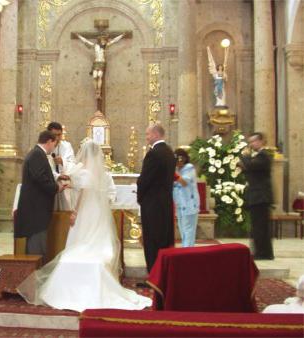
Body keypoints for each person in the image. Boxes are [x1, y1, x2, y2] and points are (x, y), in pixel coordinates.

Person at [17, 139, 152, 312]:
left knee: (79, 240)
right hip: (97, 212)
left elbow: (82, 194)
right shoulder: (103, 174)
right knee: (96, 239)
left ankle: (69, 288)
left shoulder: (86, 173)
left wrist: (74, 212)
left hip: (85, 212)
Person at [14, 131, 67, 261]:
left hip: (35, 208)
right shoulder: (37, 155)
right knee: (37, 246)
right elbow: (41, 179)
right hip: (35, 210)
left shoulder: (37, 154)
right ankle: (35, 275)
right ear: (49, 141)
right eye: (54, 144)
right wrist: (57, 187)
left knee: (37, 244)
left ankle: (34, 272)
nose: (54, 147)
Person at [137, 124, 176, 276]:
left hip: (152, 205)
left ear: (155, 134)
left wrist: (140, 198)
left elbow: (144, 180)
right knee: (163, 239)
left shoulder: (154, 154)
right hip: (165, 203)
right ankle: (164, 273)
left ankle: (154, 275)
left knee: (152, 240)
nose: (146, 138)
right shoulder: (169, 152)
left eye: (147, 134)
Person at [239, 132, 274, 260]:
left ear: (261, 141)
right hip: (256, 196)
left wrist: (245, 157)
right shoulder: (258, 157)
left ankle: (264, 253)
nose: (251, 144)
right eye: (250, 142)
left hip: (261, 197)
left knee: (261, 227)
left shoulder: (264, 156)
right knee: (257, 226)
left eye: (253, 141)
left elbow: (251, 165)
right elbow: (250, 170)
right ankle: (261, 251)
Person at [76, 33, 125, 98]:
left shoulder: (106, 46)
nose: (103, 41)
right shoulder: (95, 46)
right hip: (96, 63)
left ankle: (99, 91)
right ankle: (96, 91)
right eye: (102, 40)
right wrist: (79, 36)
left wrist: (121, 35)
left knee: (99, 76)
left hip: (102, 63)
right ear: (100, 40)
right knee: (94, 76)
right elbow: (86, 41)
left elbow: (114, 40)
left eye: (104, 40)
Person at [173, 148, 200, 247]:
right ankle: (186, 251)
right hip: (180, 204)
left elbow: (184, 182)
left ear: (184, 159)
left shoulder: (189, 168)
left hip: (189, 204)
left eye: (180, 159)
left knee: (189, 229)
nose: (178, 162)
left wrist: (173, 174)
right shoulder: (176, 169)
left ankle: (187, 251)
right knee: (182, 229)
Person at [47, 122, 76, 210]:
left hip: (64, 184)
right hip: (50, 184)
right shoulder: (45, 147)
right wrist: (57, 176)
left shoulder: (67, 146)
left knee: (65, 213)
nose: (57, 138)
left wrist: (62, 161)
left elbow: (72, 163)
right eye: (54, 135)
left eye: (59, 135)